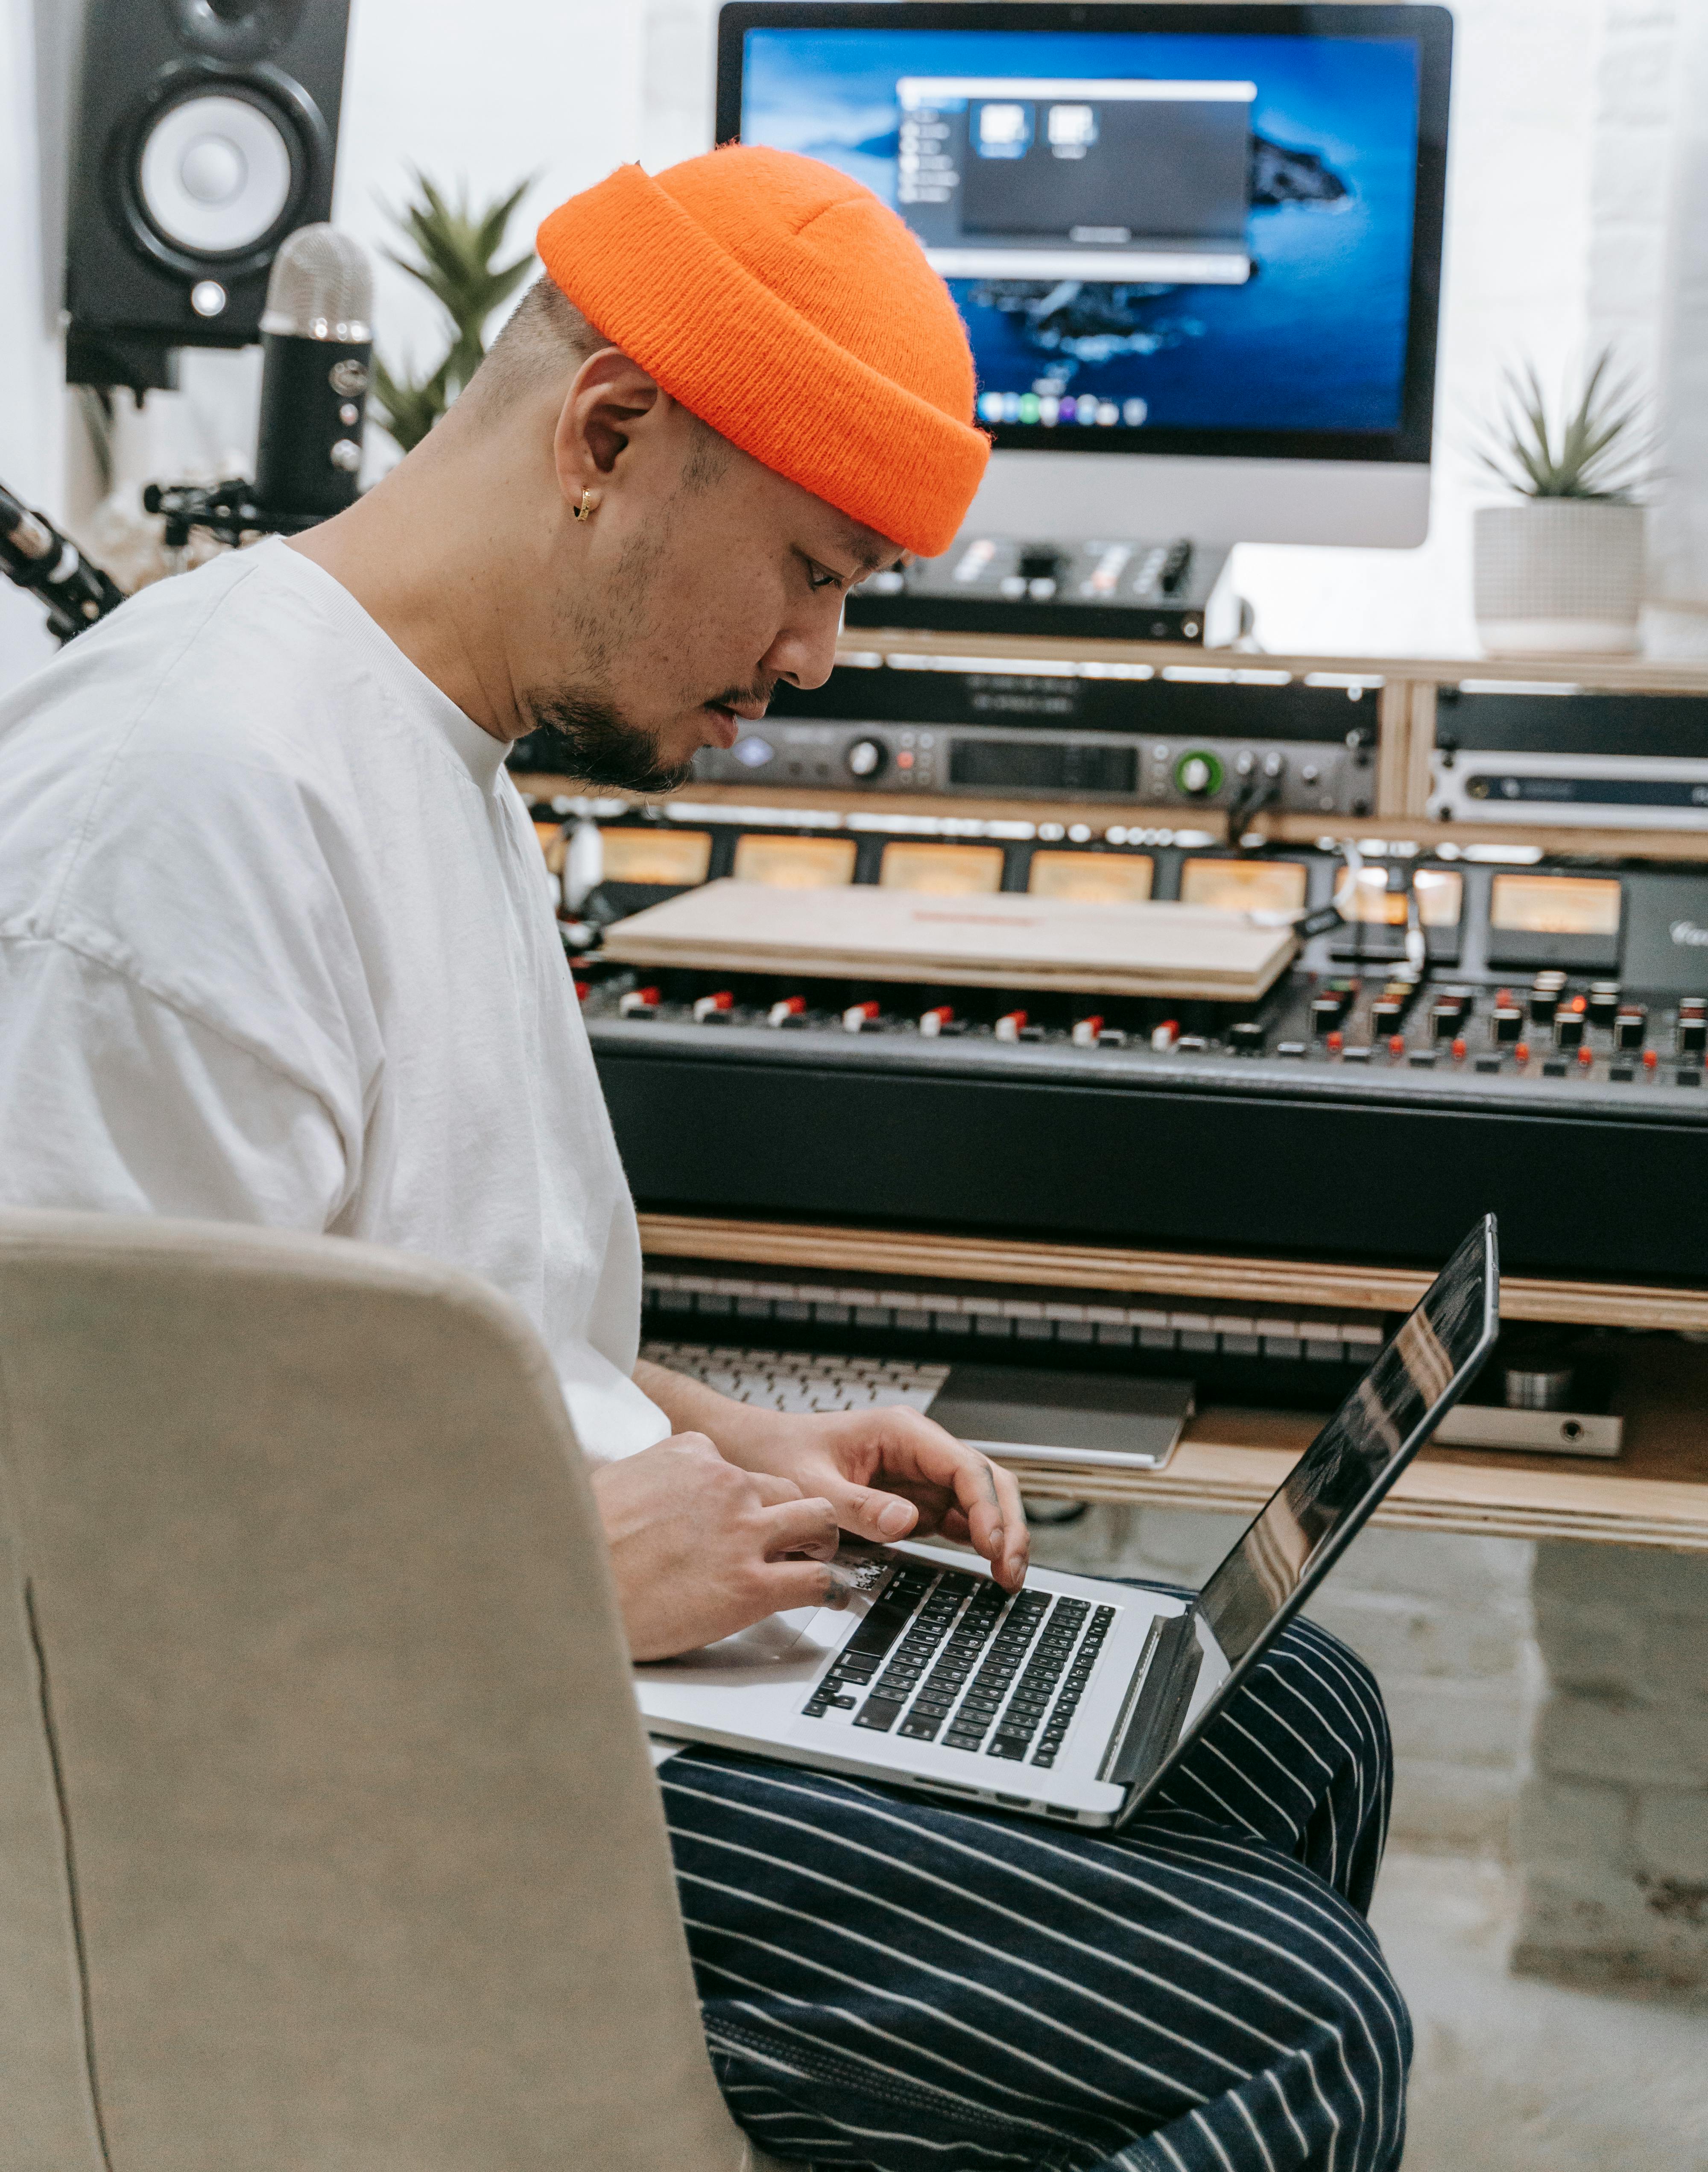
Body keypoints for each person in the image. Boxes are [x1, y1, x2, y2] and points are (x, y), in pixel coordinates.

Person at [0, 142, 1409, 2168]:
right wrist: (566, 1571)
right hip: (371, 1762)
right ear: (609, 432)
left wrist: (735, 1438)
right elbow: (68, 1567)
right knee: (1282, 2024)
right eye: (816, 572)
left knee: (1291, 1716)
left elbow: (417, 1320)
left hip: (518, 1627)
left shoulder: (434, 749)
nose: (820, 657)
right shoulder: (181, 804)